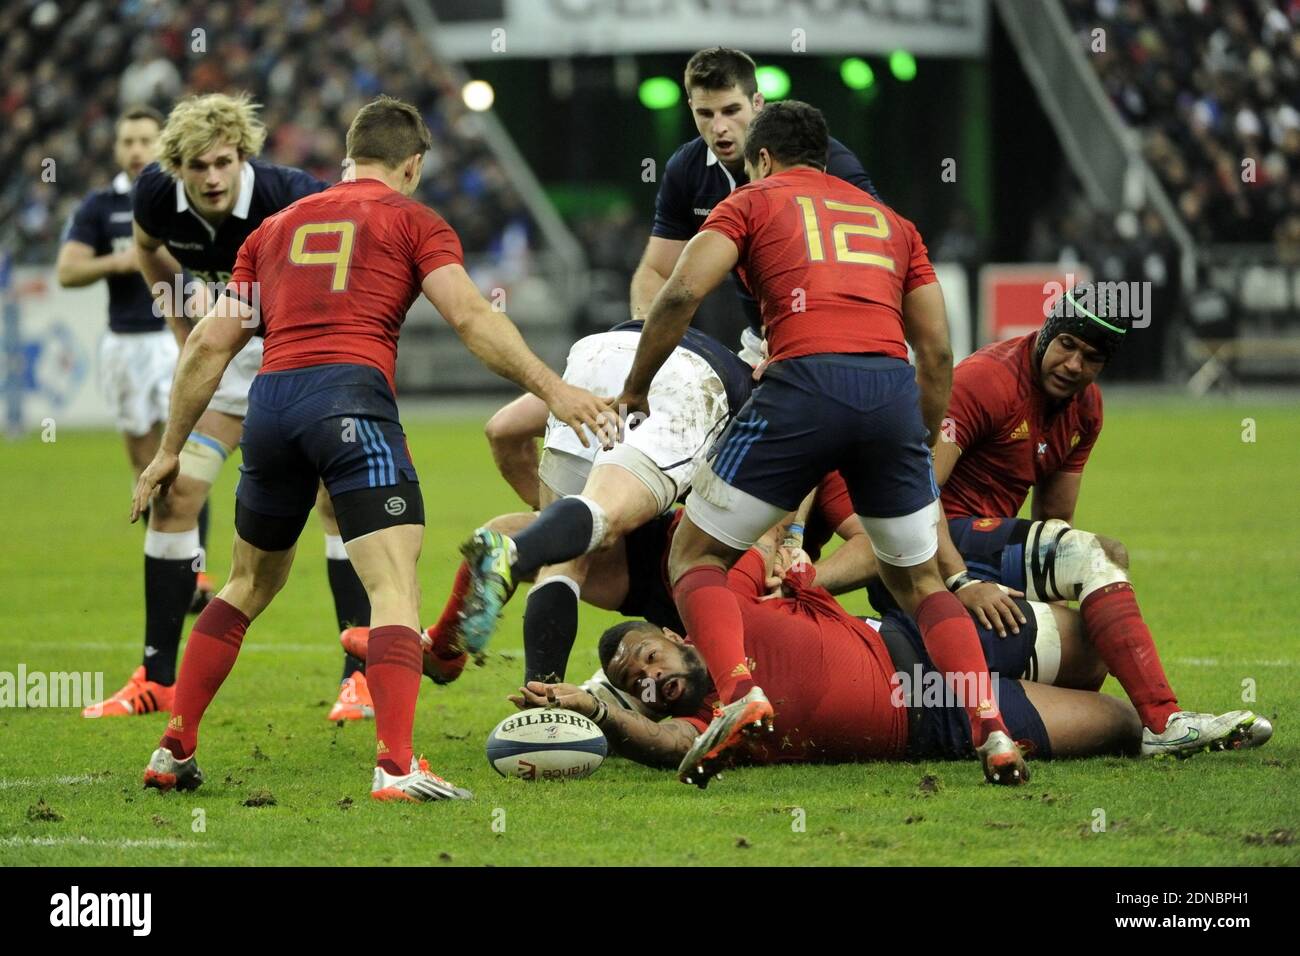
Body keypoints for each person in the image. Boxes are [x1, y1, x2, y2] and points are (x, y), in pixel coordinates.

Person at [130, 94, 612, 802]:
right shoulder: (414, 221)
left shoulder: (272, 228)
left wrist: (170, 448)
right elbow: (472, 317)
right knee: (392, 585)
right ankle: (395, 765)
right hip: (350, 402)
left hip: (271, 408)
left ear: (350, 157)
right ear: (413, 165)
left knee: (247, 584)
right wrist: (555, 390)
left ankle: (174, 747)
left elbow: (209, 342)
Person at [608, 100, 1024, 784]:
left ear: (762, 158)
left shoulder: (751, 199)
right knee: (920, 580)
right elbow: (941, 352)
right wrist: (914, 441)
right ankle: (993, 732)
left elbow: (680, 292)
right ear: (826, 160)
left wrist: (636, 385)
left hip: (801, 385)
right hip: (890, 392)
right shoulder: (894, 223)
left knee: (695, 555)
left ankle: (739, 695)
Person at [79, 92, 371, 724]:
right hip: (227, 359)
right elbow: (148, 249)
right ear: (174, 168)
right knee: (176, 496)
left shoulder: (288, 193)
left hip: (300, 361)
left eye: (222, 163)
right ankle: (156, 677)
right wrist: (183, 328)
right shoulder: (156, 195)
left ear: (242, 156)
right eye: (197, 167)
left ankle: (360, 676)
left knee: (330, 501)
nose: (211, 178)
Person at [483, 47, 880, 509]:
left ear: (758, 104)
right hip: (756, 343)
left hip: (835, 340)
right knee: (506, 430)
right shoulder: (688, 169)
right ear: (690, 109)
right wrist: (655, 353)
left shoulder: (829, 164)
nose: (720, 128)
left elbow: (877, 261)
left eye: (732, 110)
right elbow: (655, 271)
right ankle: (579, 541)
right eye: (705, 113)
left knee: (802, 499)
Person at [508, 538, 1209, 785]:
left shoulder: (722, 601)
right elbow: (664, 746)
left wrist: (794, 550)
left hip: (923, 638)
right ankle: (1158, 728)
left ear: (672, 633)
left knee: (1091, 642)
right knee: (1116, 726)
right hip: (931, 723)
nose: (650, 679)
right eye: (640, 686)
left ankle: (1175, 713)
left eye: (648, 659)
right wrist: (598, 712)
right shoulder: (711, 726)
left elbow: (771, 519)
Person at [923, 284, 1269, 756]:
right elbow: (919, 493)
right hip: (938, 547)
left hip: (989, 553)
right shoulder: (987, 379)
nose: (1073, 365)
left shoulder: (1086, 408)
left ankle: (1131, 717)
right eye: (1067, 345)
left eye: (1091, 358)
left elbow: (1055, 522)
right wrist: (959, 580)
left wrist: (1050, 611)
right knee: (1095, 555)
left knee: (1099, 582)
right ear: (1047, 333)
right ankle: (1165, 720)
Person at [457, 319, 753, 680]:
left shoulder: (649, 327)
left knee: (565, 558)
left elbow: (502, 429)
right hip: (690, 382)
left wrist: (562, 526)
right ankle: (516, 554)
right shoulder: (769, 397)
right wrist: (793, 539)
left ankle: (541, 709)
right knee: (605, 518)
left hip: (595, 358)